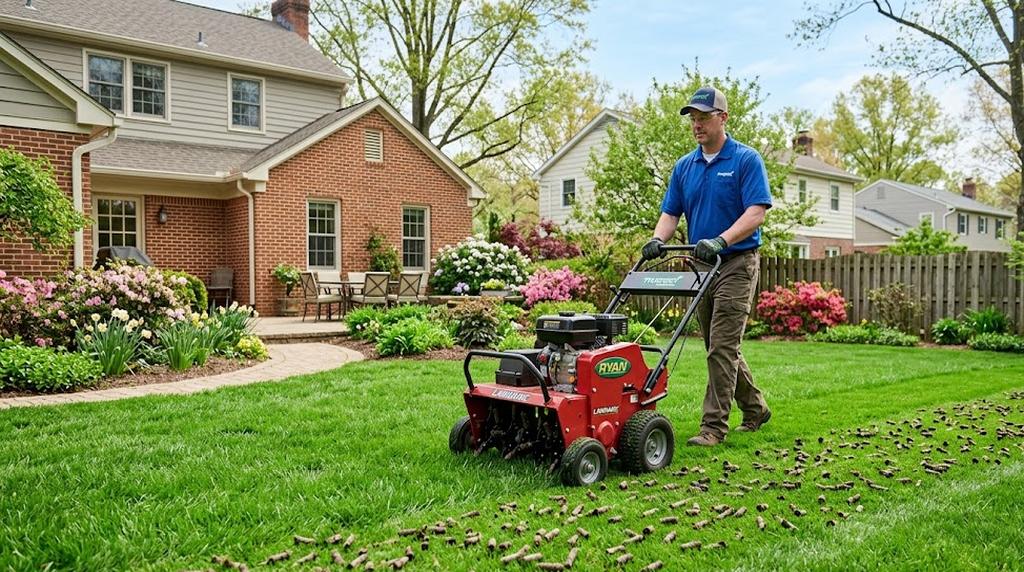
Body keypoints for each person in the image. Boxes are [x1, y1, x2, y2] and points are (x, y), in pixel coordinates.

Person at [641, 86, 772, 447]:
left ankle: (713, 427)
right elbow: (671, 211)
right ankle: (756, 408)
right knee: (717, 344)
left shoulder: (745, 160)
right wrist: (658, 240)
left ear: (723, 118)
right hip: (701, 264)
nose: (697, 125)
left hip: (736, 262)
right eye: (693, 119)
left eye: (703, 118)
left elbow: (756, 212)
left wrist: (722, 239)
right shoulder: (685, 166)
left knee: (722, 348)